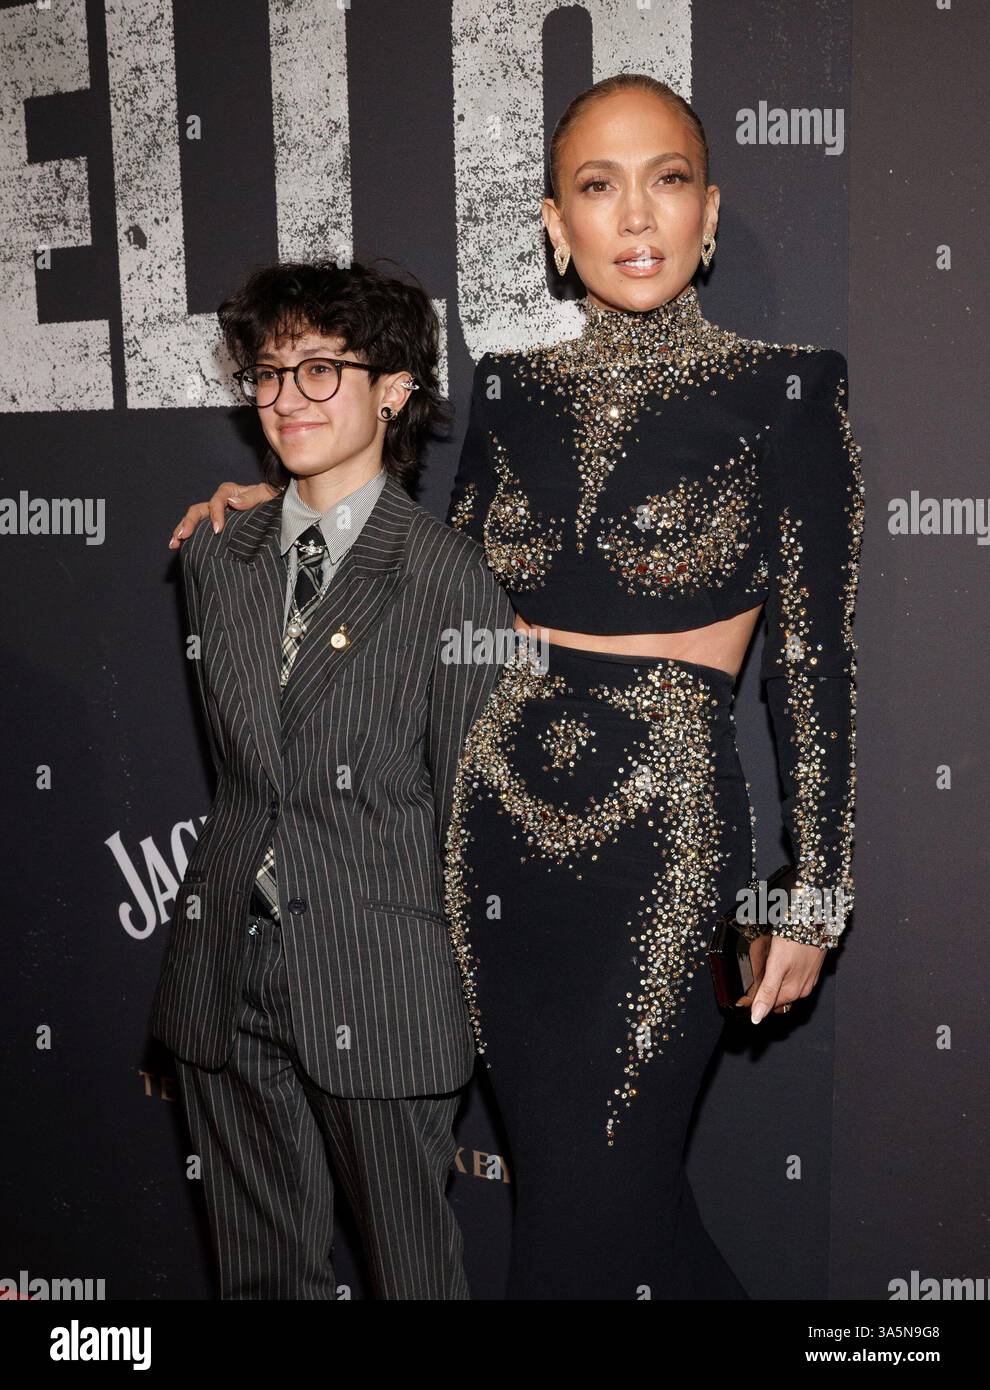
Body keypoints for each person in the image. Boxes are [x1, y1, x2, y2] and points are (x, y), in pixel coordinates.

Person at [169, 75, 865, 1301]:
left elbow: (812, 661)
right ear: (556, 223)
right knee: (584, 1208)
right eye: (599, 187)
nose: (635, 215)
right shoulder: (516, 388)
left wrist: (809, 895)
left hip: (664, 848)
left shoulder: (792, 388)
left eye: (667, 180)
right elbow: (434, 586)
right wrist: (279, 527)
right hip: (488, 847)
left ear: (710, 210)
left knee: (602, 1205)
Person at [151, 257, 513, 1299]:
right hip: (228, 975)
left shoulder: (449, 577)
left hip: (382, 980)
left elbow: (470, 825)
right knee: (261, 1276)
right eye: (270, 374)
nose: (287, 398)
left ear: (393, 386)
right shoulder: (220, 555)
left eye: (321, 370)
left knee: (414, 1280)